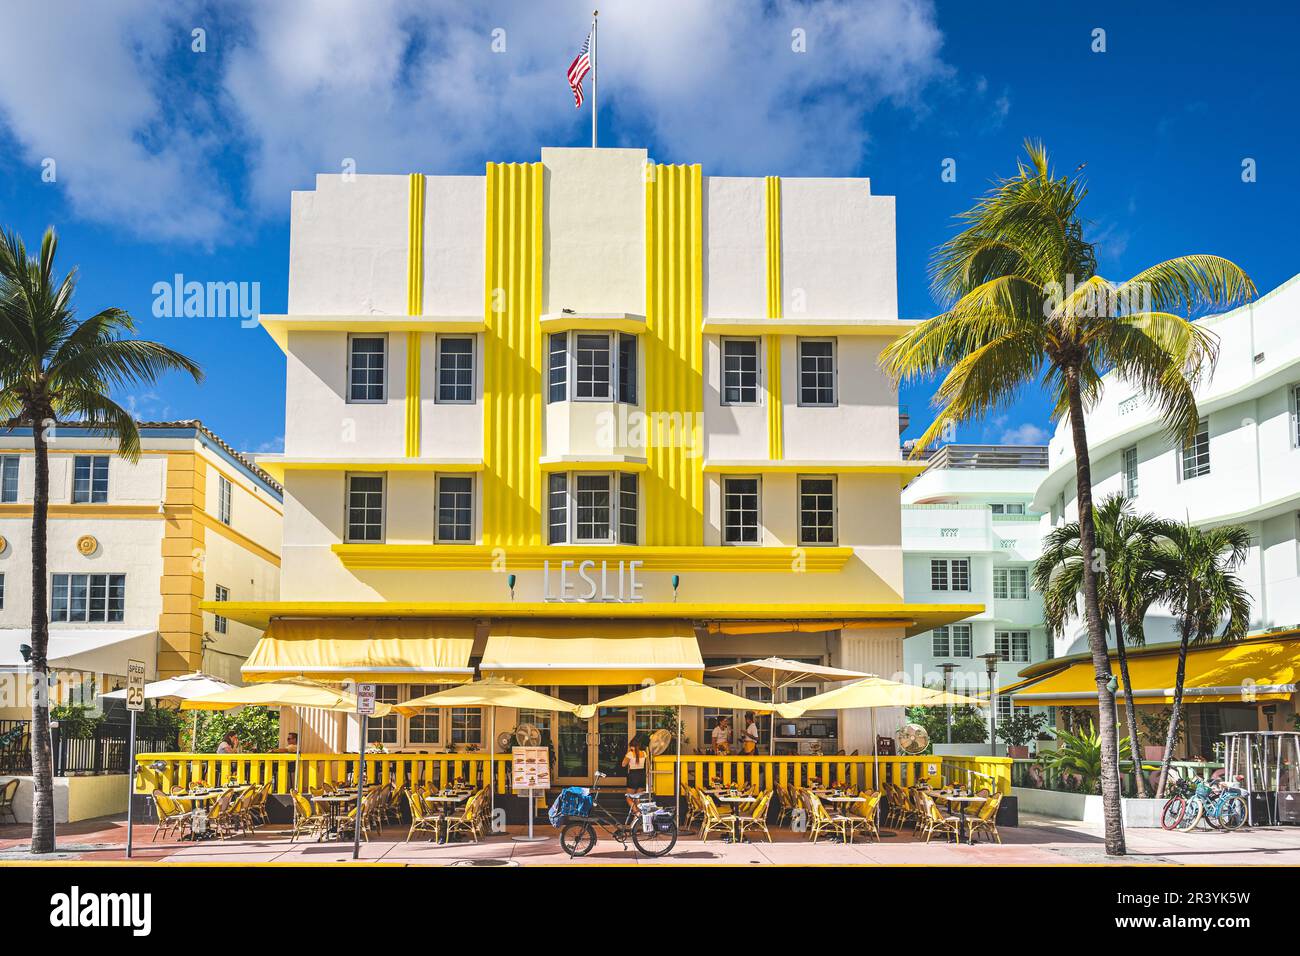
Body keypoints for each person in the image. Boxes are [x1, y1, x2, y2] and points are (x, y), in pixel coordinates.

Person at [622, 735, 648, 811]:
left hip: (633, 776)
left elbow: (623, 764)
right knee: (638, 798)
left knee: (628, 797)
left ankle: (636, 812)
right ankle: (639, 817)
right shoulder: (644, 753)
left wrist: (628, 752)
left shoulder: (630, 754)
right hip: (642, 775)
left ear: (631, 746)